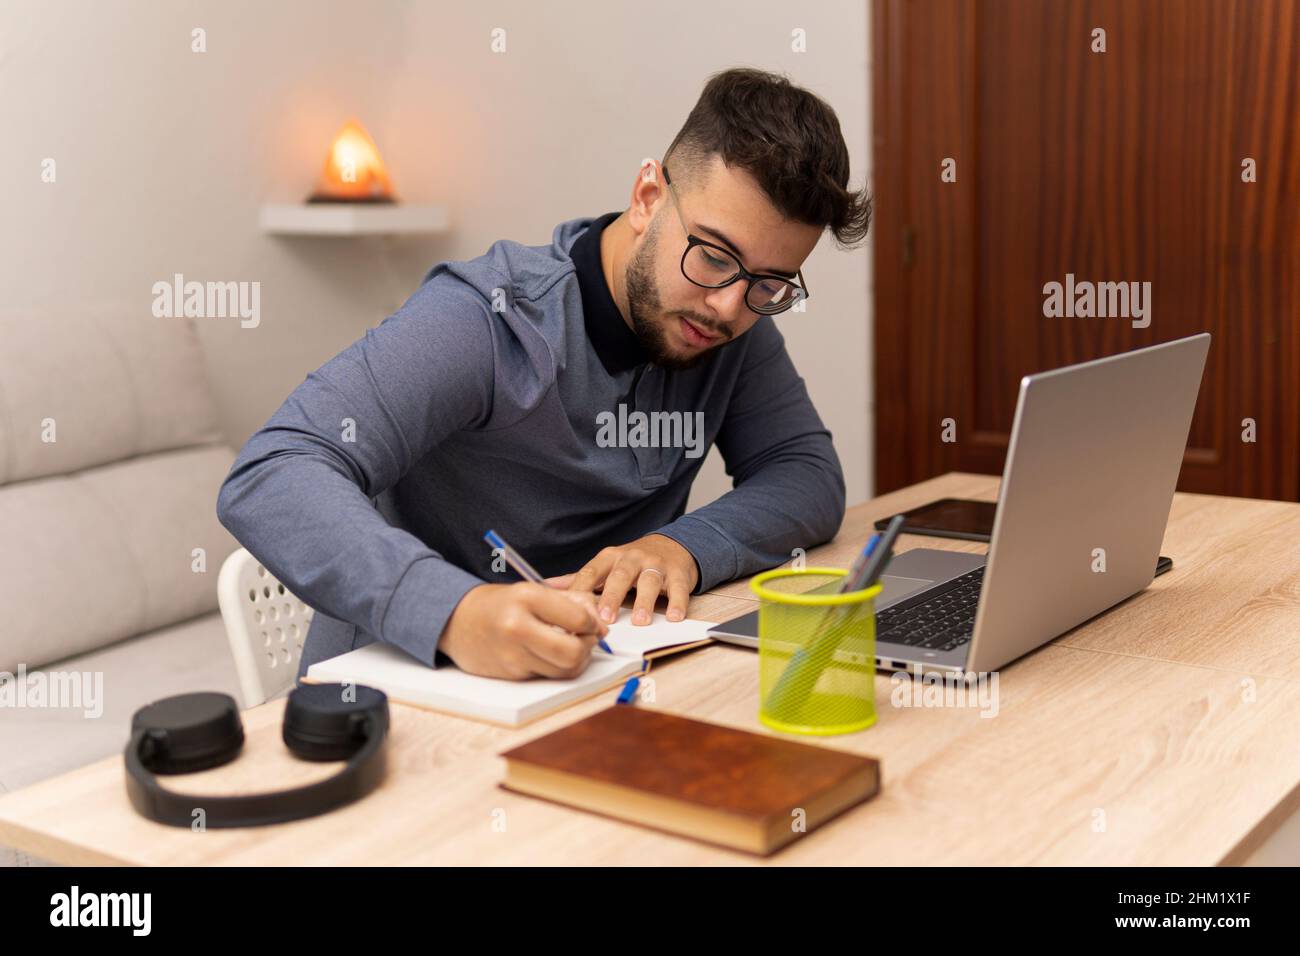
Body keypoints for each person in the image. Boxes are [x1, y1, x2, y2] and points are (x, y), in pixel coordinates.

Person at [216, 67, 871, 681]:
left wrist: (686, 548)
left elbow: (805, 474)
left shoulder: (724, 321)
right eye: (713, 256)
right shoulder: (485, 319)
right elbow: (274, 472)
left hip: (593, 679)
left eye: (771, 284)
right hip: (407, 683)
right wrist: (451, 610)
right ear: (647, 196)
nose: (730, 305)